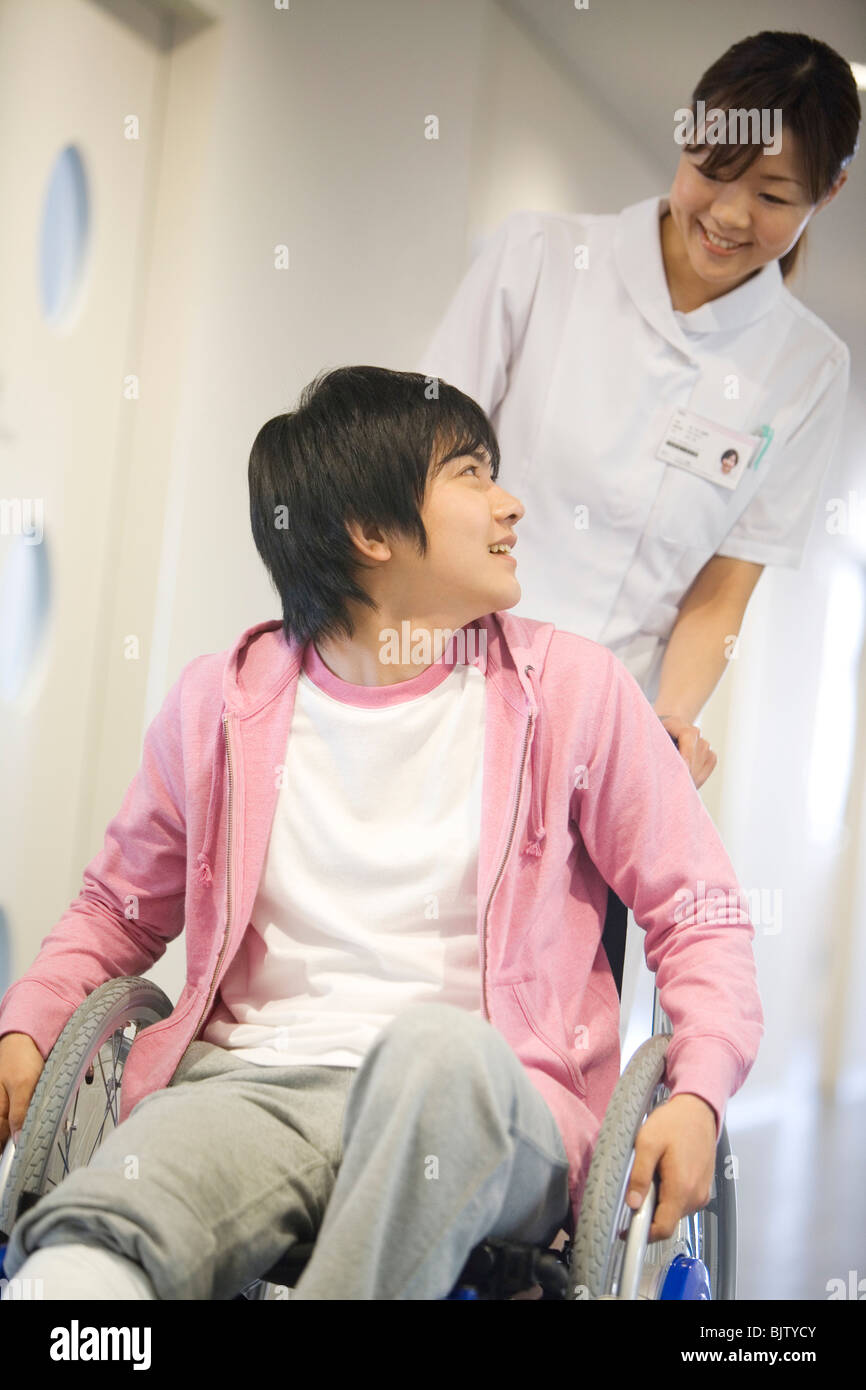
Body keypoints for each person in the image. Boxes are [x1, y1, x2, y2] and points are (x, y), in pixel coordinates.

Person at [0, 368, 763, 1301]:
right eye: (472, 474)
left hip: (487, 1102)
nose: (510, 504)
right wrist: (29, 1022)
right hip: (251, 1089)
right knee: (99, 1233)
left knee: (434, 1059)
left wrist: (699, 1090)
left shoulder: (573, 691)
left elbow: (699, 910)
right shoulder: (219, 706)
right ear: (370, 530)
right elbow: (115, 911)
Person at [415, 29, 860, 993]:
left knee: (543, 1023)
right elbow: (421, 477)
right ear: (687, 132)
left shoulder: (807, 370)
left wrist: (662, 730)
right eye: (714, 169)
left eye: (774, 196)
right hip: (438, 691)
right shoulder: (541, 257)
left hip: (598, 748)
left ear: (827, 196)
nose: (729, 215)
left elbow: (720, 594)